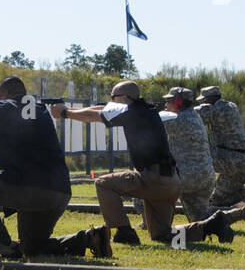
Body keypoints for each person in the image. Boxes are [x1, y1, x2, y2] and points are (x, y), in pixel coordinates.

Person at [54, 80, 233, 246]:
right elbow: (104, 108)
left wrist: (65, 113)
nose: (111, 102)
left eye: (113, 98)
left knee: (103, 184)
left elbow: (96, 116)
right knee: (162, 235)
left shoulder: (132, 113)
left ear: (124, 98)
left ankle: (124, 232)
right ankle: (211, 226)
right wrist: (69, 108)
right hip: (171, 181)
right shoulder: (144, 110)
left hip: (154, 179)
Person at [0, 75, 112, 259]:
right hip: (58, 191)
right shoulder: (38, 109)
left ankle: (1, 244)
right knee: (32, 249)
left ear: (4, 94)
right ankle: (89, 238)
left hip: (31, 189)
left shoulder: (8, 107)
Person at [158, 87, 245, 231]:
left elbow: (153, 124)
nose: (166, 105)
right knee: (202, 219)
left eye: (168, 101)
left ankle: (153, 226)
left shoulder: (179, 119)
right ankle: (242, 213)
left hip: (189, 175)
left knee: (146, 188)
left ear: (178, 102)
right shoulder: (194, 116)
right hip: (205, 175)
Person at [195, 85, 245, 207]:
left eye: (203, 101)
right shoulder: (231, 106)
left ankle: (190, 189)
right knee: (218, 201)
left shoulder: (215, 109)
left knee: (196, 154)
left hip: (233, 160)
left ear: (208, 100)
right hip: (244, 162)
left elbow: (191, 117)